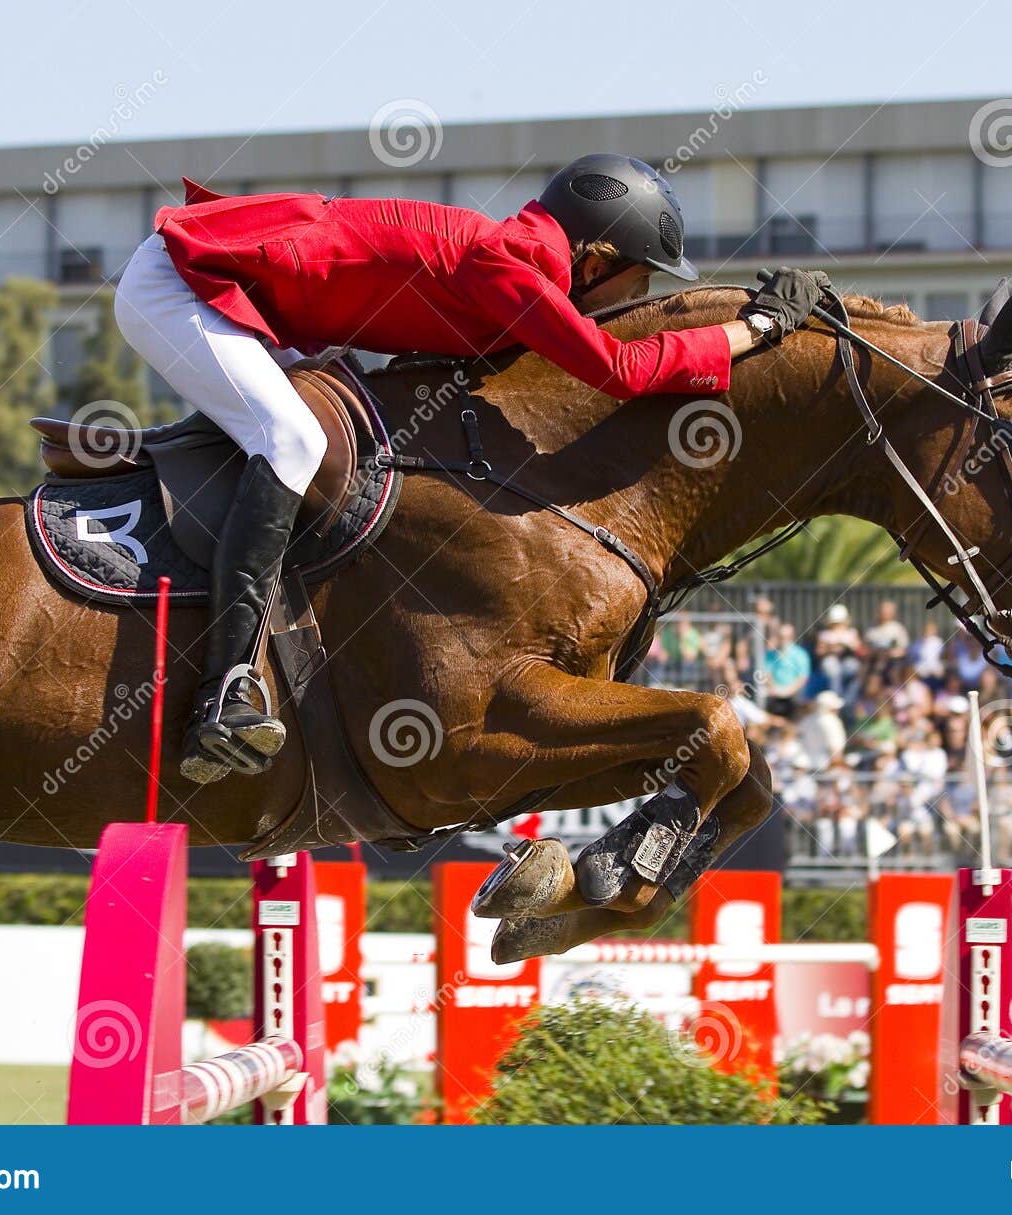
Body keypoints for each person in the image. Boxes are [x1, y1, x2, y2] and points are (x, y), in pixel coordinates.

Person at [114, 155, 825, 782]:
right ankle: (226, 690)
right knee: (293, 442)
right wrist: (759, 327)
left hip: (241, 302)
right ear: (596, 264)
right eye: (634, 285)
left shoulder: (517, 263)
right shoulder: (506, 267)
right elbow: (619, 369)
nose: (631, 304)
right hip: (180, 285)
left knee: (330, 429)